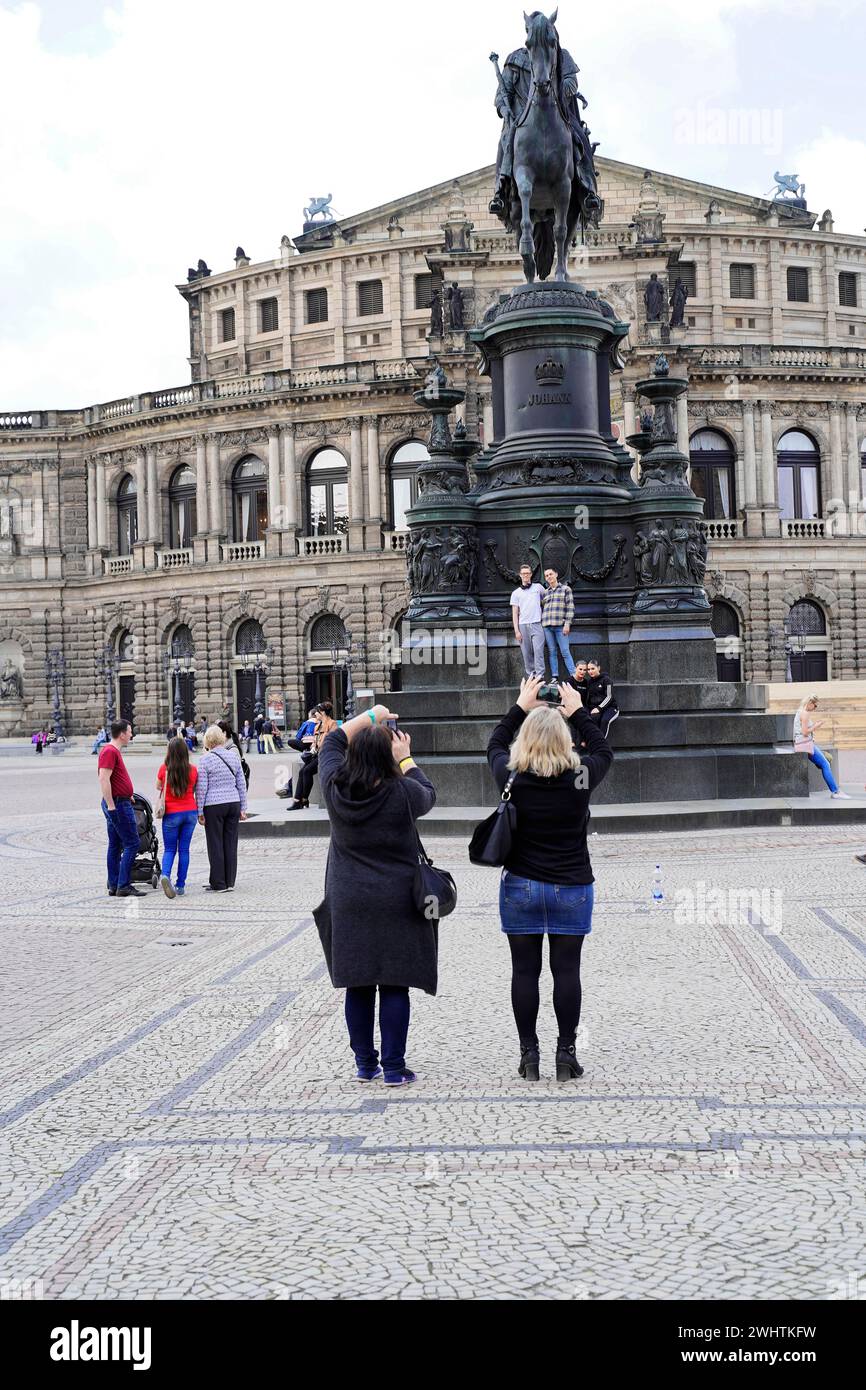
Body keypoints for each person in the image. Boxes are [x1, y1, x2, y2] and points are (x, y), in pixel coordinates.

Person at [487, 675, 613, 1081]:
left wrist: (522, 706)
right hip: (572, 885)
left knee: (524, 972)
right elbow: (604, 748)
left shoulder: (511, 775)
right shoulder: (581, 778)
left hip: (521, 885)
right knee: (566, 971)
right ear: (565, 739)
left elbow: (493, 743)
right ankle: (566, 1053)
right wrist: (576, 710)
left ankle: (529, 1055)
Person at [315, 702, 437, 1085]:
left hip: (349, 898)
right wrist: (407, 758)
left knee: (359, 982)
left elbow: (333, 738)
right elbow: (429, 794)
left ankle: (366, 1065)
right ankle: (395, 1069)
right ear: (388, 757)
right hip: (396, 899)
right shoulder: (403, 793)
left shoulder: (334, 786)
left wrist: (371, 716)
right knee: (395, 982)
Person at [196, 725, 248, 892]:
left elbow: (201, 788)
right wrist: (243, 807)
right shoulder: (233, 757)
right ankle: (229, 881)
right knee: (230, 843)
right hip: (233, 803)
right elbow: (241, 783)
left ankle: (218, 883)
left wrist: (200, 811)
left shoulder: (205, 760)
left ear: (207, 741)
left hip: (214, 805)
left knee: (215, 844)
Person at [97, 718, 143, 898]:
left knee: (115, 845)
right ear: (122, 734)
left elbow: (113, 779)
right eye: (130, 731)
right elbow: (103, 778)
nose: (131, 734)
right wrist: (111, 805)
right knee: (132, 843)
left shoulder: (113, 751)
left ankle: (114, 883)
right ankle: (123, 885)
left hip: (120, 801)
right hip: (117, 804)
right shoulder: (109, 751)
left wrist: (127, 793)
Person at [157, 737, 199, 899]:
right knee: (184, 850)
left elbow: (158, 786)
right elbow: (194, 787)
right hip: (190, 813)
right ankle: (180, 885)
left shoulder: (164, 769)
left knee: (169, 849)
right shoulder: (193, 770)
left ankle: (165, 875)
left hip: (171, 813)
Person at [793, 695, 848, 799]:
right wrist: (815, 726)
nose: (815, 708)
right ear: (810, 703)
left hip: (803, 743)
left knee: (825, 762)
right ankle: (835, 792)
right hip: (805, 743)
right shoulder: (805, 714)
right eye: (815, 705)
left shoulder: (800, 712)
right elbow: (804, 732)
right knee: (825, 764)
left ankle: (835, 791)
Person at [287, 704, 338, 810]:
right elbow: (315, 741)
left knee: (307, 771)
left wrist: (319, 746)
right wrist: (313, 747)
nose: (315, 714)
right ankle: (298, 801)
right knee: (302, 772)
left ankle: (304, 799)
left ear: (323, 713)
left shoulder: (332, 724)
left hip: (325, 755)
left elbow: (332, 741)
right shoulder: (317, 725)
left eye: (317, 712)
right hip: (316, 754)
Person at [541, 566, 576, 680]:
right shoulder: (545, 593)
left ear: (556, 574)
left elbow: (570, 608)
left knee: (565, 651)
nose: (549, 577)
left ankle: (574, 676)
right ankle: (555, 677)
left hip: (561, 626)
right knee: (552, 652)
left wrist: (567, 624)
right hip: (547, 627)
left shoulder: (566, 589)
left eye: (550, 574)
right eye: (546, 575)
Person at [511, 563, 546, 679]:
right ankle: (531, 677)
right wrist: (517, 631)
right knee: (526, 654)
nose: (525, 575)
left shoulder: (538, 588)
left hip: (537, 624)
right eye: (523, 573)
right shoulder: (516, 593)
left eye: (527, 573)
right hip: (523, 626)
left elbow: (547, 600)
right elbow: (515, 613)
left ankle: (540, 677)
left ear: (531, 574)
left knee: (538, 652)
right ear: (520, 575)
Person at [585, 659, 619, 737]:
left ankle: (602, 744)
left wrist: (599, 708)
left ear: (598, 668)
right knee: (593, 718)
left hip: (610, 707)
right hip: (596, 708)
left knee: (604, 720)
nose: (590, 671)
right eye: (588, 669)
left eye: (593, 668)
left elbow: (609, 696)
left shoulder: (606, 680)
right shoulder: (589, 682)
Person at [218, 719, 251, 791]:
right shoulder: (225, 747)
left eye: (217, 734)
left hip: (232, 790)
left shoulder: (232, 750)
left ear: (224, 733)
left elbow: (234, 773)